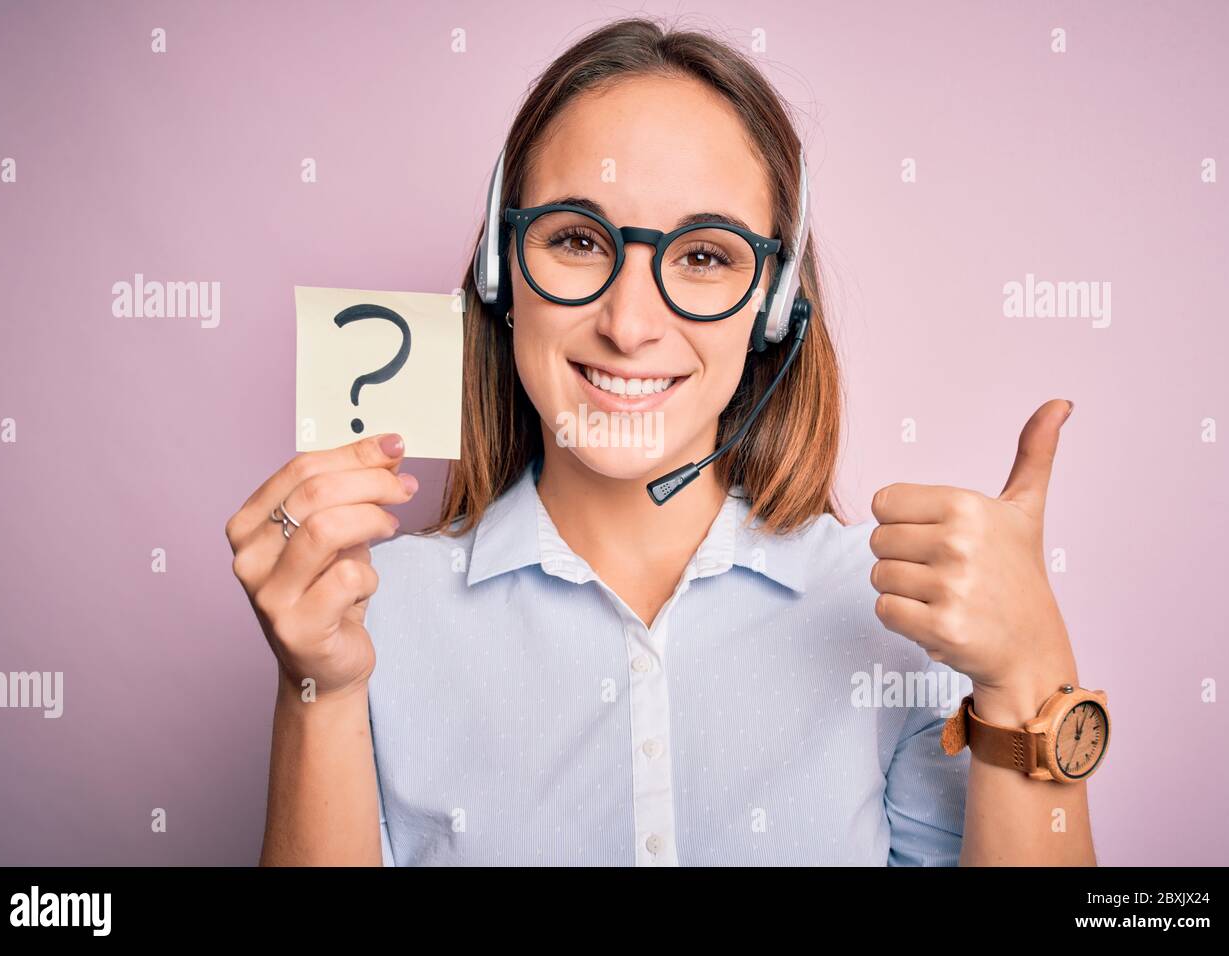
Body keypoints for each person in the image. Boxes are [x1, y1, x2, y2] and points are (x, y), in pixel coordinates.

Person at [226, 17, 1097, 866]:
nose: (631, 323)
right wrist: (320, 692)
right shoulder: (372, 616)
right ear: (501, 272)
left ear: (776, 305)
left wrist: (1030, 676)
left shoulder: (896, 613)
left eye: (705, 256)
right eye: (575, 239)